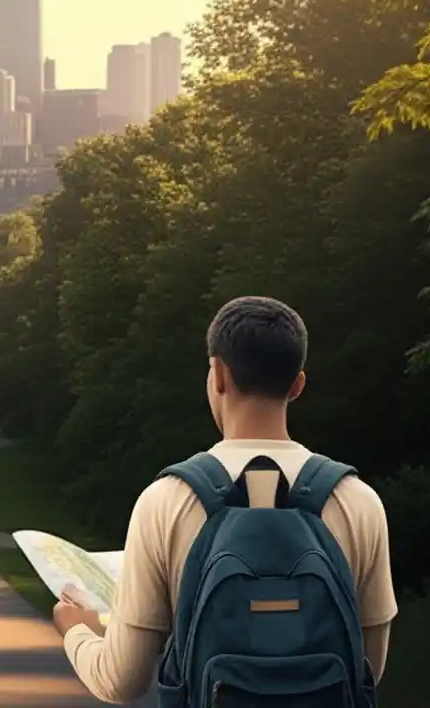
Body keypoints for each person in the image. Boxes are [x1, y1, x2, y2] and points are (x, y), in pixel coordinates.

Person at [52, 295, 398, 705]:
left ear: (217, 374)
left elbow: (120, 682)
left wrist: (74, 628)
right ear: (298, 385)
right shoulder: (358, 500)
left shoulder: (166, 501)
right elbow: (366, 671)